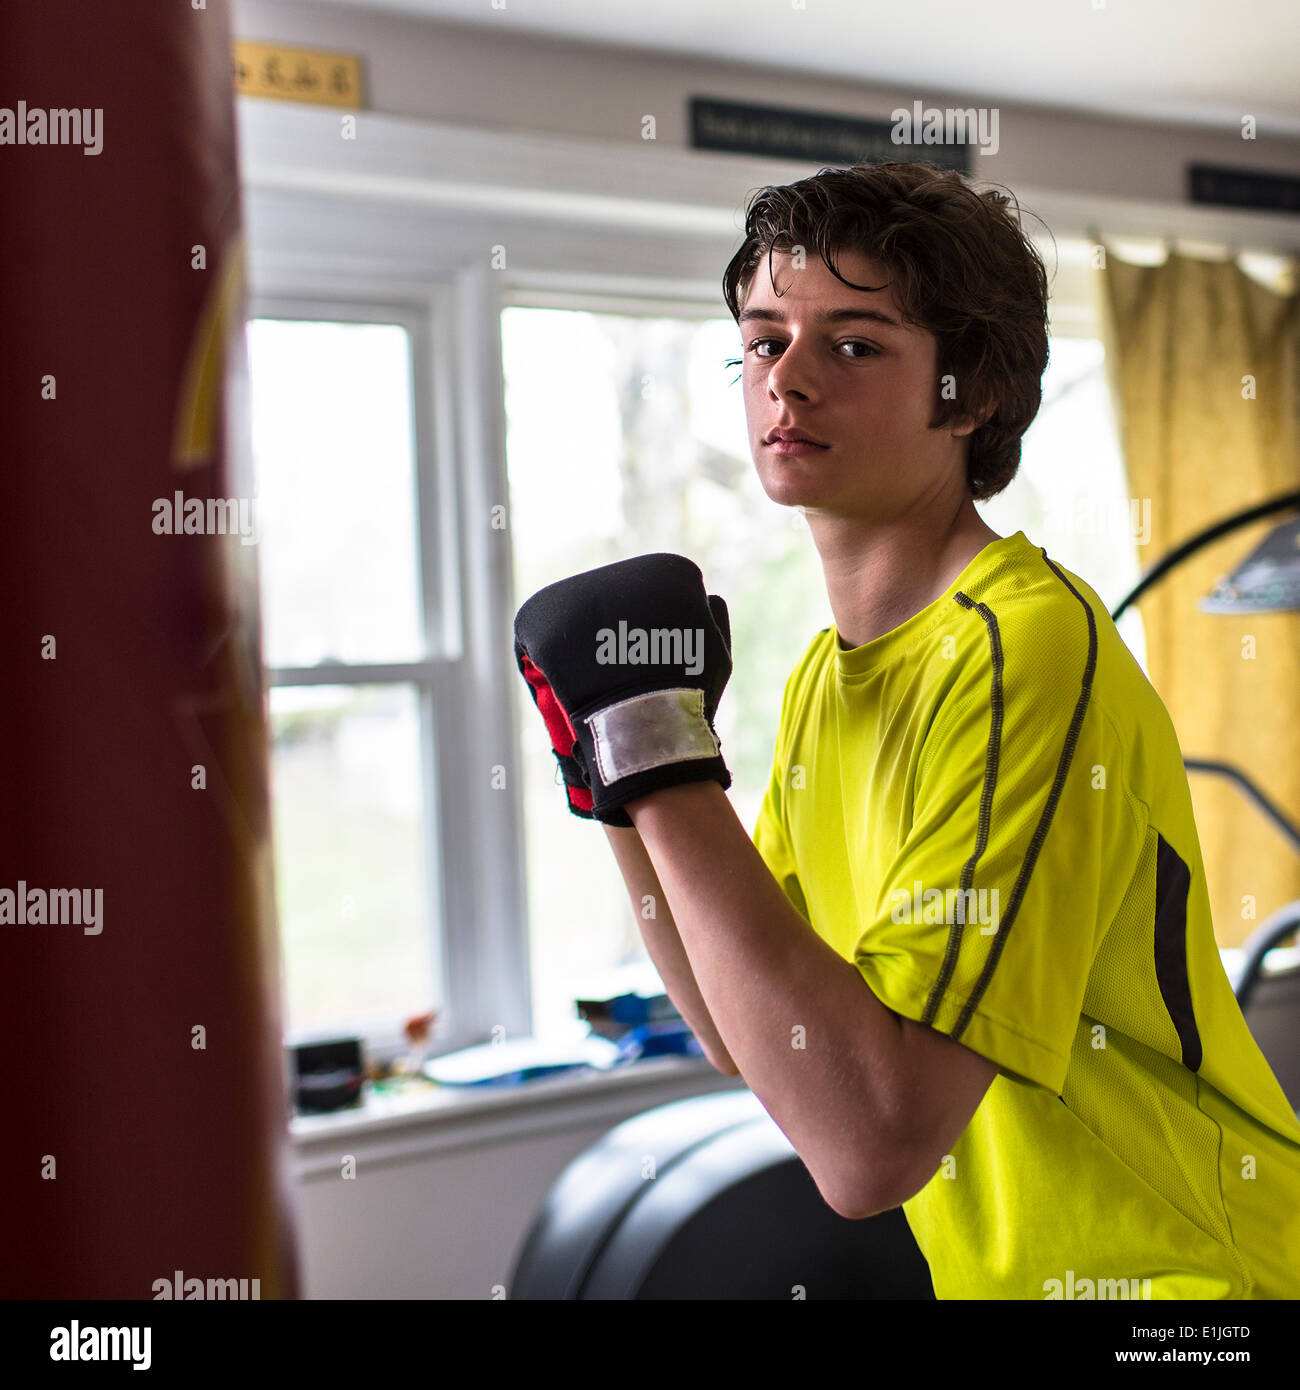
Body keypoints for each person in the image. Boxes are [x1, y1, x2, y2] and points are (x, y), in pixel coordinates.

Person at [512, 160, 1300, 1300]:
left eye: (853, 343)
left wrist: (662, 759)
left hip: (1194, 1289)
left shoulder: (1019, 648)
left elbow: (872, 1147)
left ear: (968, 393)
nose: (786, 377)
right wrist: (616, 776)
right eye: (763, 337)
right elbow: (752, 1038)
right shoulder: (828, 687)